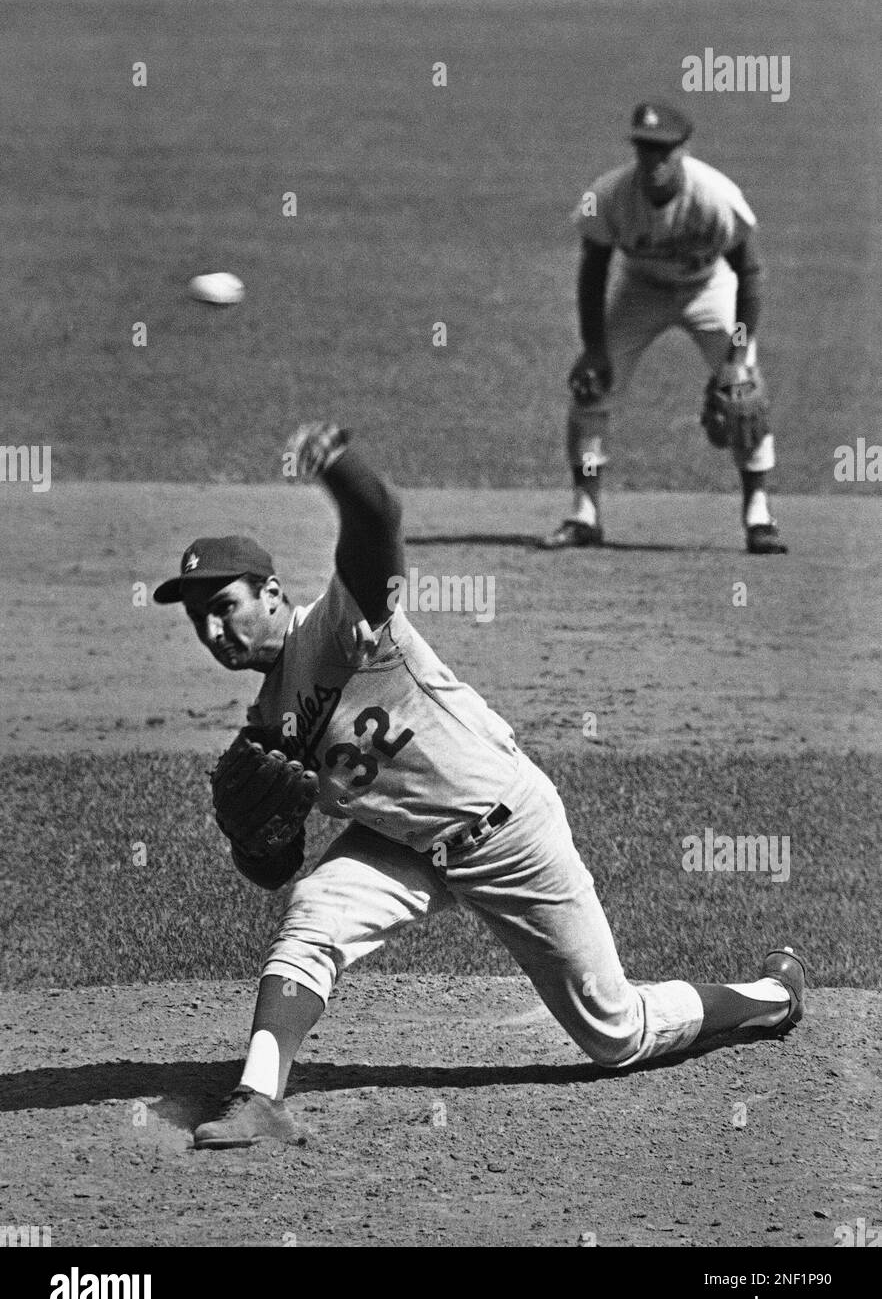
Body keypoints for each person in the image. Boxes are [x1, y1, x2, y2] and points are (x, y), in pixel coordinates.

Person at [153, 423, 804, 1148]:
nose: (213, 629)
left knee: (614, 1033)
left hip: (506, 829)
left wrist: (337, 465)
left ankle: (772, 998)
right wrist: (249, 841)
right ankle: (259, 1098)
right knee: (312, 912)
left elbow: (378, 520)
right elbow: (274, 868)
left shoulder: (342, 624)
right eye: (197, 618)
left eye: (225, 605)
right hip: (403, 845)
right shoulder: (265, 723)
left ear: (272, 592)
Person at [539, 100, 787, 554]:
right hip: (642, 290)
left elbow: (749, 275)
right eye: (644, 149)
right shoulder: (610, 196)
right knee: (592, 388)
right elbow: (593, 274)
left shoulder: (715, 195)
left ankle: (759, 514)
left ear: (682, 150)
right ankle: (585, 513)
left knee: (745, 394)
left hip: (709, 288)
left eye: (663, 150)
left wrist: (736, 358)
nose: (653, 160)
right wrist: (594, 348)